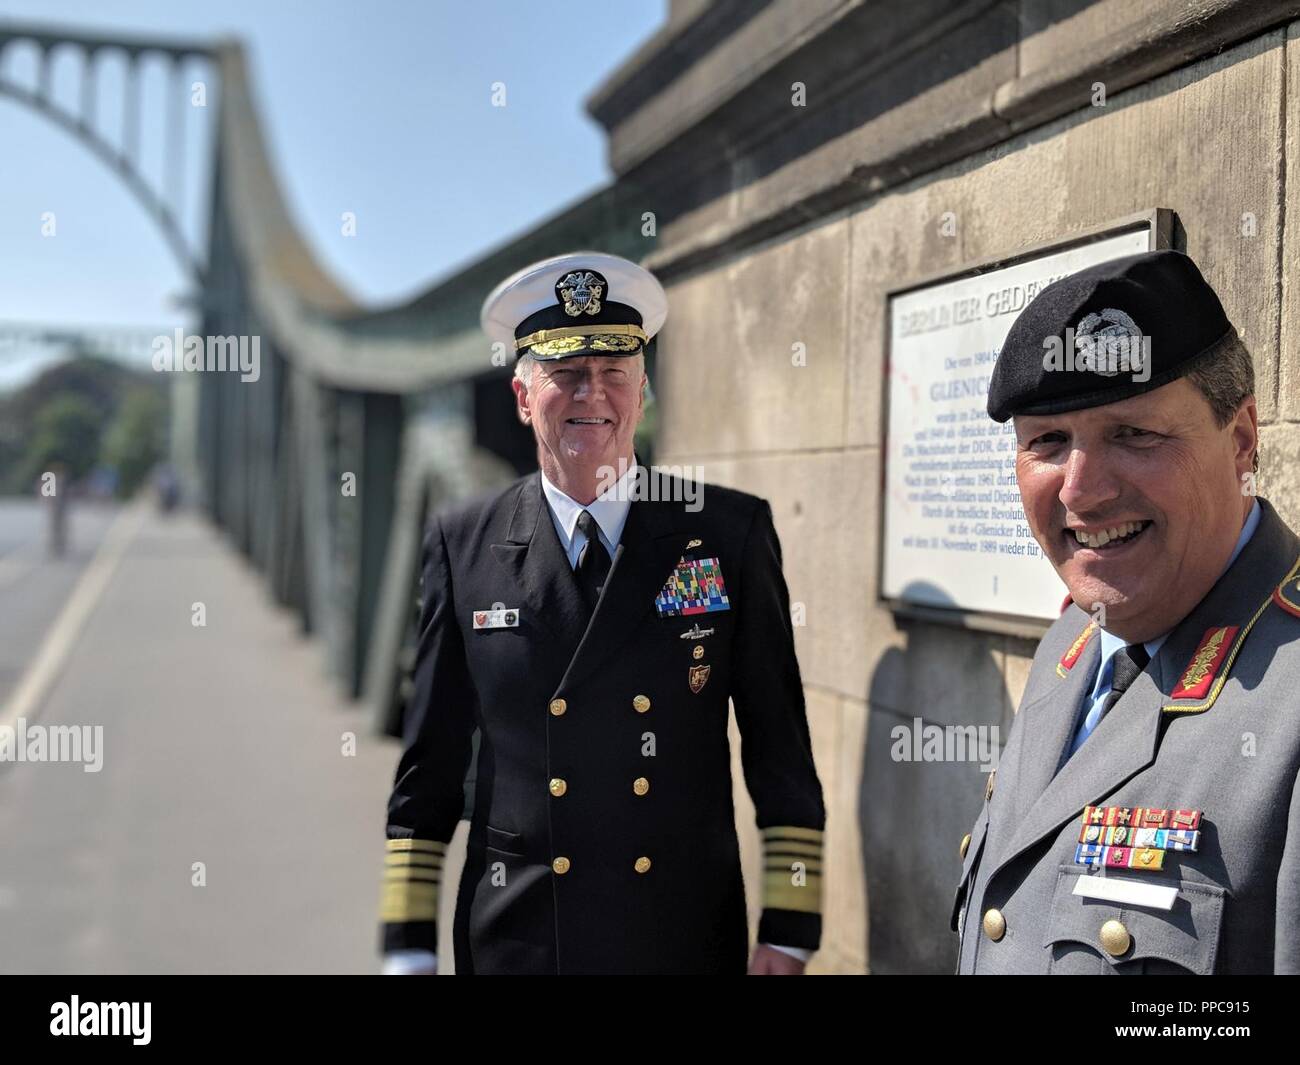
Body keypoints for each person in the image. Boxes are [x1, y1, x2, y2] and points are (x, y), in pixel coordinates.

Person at [381, 251, 824, 974]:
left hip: (678, 932)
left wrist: (789, 923)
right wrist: (405, 945)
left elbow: (780, 747)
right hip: (520, 935)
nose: (594, 394)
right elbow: (427, 766)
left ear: (642, 392)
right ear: (524, 397)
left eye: (615, 372)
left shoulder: (726, 532)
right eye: (568, 373)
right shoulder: (463, 542)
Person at [953, 248, 1300, 973]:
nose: (1081, 492)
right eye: (1047, 441)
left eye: (1133, 434)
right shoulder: (1072, 643)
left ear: (1240, 439)